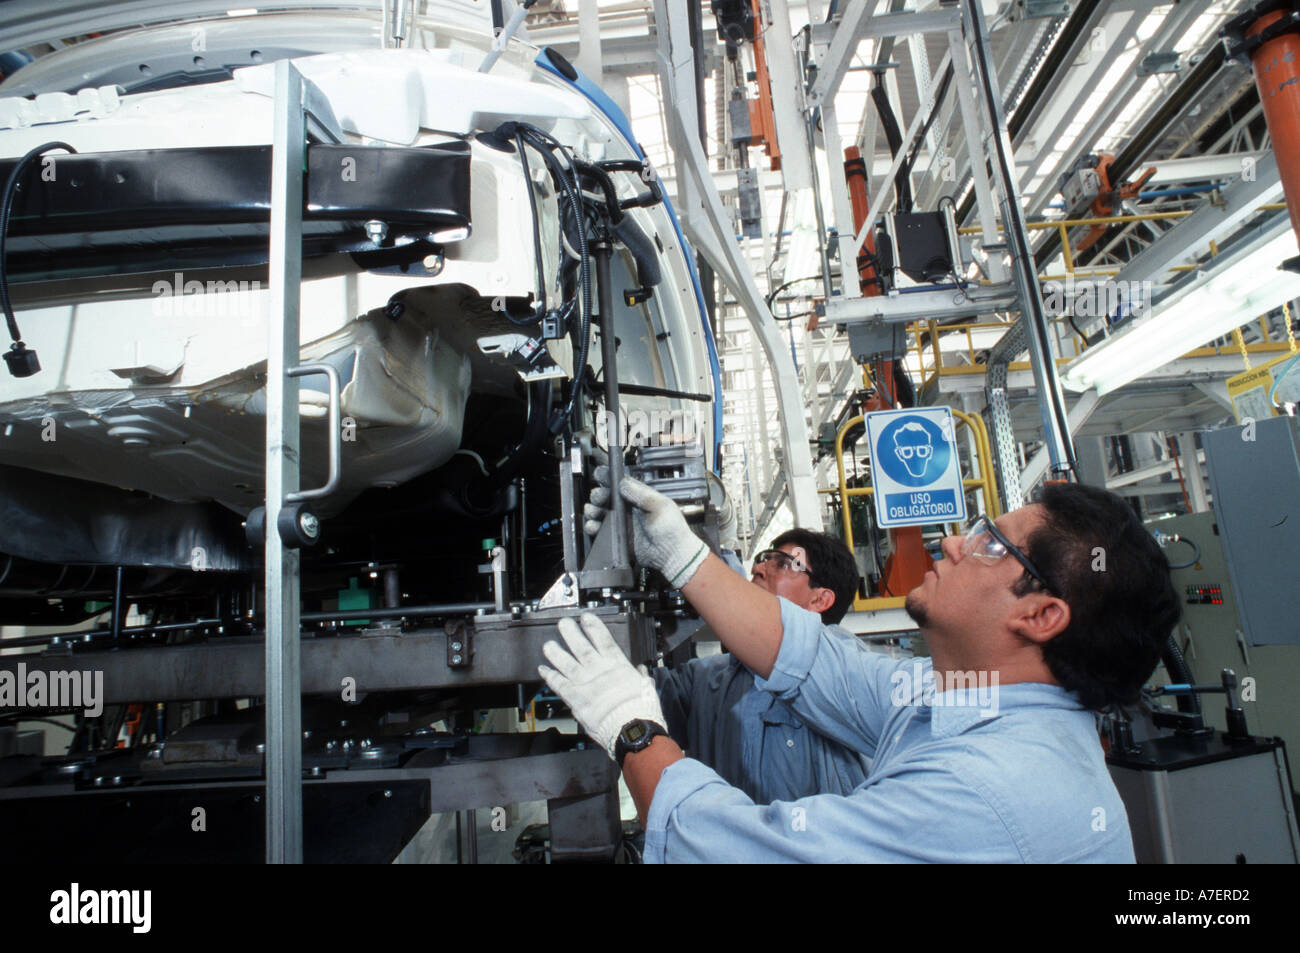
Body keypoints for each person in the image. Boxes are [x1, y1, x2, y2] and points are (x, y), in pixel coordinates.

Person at [539, 475, 1180, 862]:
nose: (954, 542)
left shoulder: (991, 794)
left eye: (991, 544)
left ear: (1040, 616)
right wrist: (680, 554)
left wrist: (631, 728)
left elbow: (737, 851)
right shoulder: (962, 698)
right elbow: (813, 659)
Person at [651, 529, 871, 803]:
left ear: (820, 600)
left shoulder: (844, 668)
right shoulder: (706, 679)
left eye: (782, 564)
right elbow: (638, 699)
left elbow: (801, 650)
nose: (758, 568)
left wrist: (698, 569)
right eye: (762, 559)